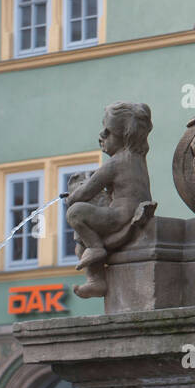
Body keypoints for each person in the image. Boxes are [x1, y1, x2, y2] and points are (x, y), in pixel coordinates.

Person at [64, 102, 155, 299]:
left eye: (107, 132)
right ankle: (96, 282)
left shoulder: (116, 162)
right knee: (81, 243)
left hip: (120, 216)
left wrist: (71, 198)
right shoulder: (138, 158)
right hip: (131, 212)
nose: (101, 136)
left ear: (125, 136)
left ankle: (96, 249)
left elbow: (86, 191)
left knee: (76, 213)